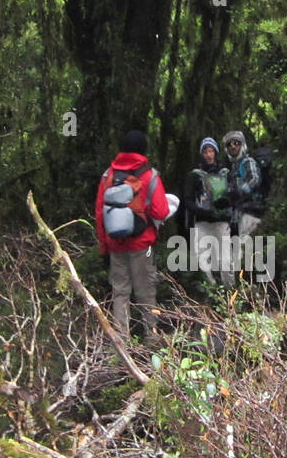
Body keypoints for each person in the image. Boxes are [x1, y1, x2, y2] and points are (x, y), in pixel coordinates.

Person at [95, 130, 170, 340]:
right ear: (143, 149)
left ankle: (122, 344)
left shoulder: (107, 176)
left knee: (120, 293)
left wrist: (104, 248)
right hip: (142, 245)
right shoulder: (149, 175)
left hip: (115, 245)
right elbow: (161, 211)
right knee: (146, 292)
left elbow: (100, 213)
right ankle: (152, 338)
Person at [183, 137, 233, 286]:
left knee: (226, 259)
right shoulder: (195, 175)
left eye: (211, 151)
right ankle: (211, 290)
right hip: (202, 222)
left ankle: (230, 292)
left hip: (222, 221)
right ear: (201, 153)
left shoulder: (225, 173)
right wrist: (200, 212)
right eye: (205, 151)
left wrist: (226, 203)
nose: (209, 154)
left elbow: (234, 194)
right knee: (203, 259)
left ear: (216, 152)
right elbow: (188, 200)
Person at [223, 130, 263, 244]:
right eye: (229, 144)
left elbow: (254, 179)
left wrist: (241, 191)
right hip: (238, 216)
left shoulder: (247, 161)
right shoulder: (233, 168)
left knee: (246, 251)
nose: (233, 147)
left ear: (242, 145)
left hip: (251, 213)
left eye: (236, 143)